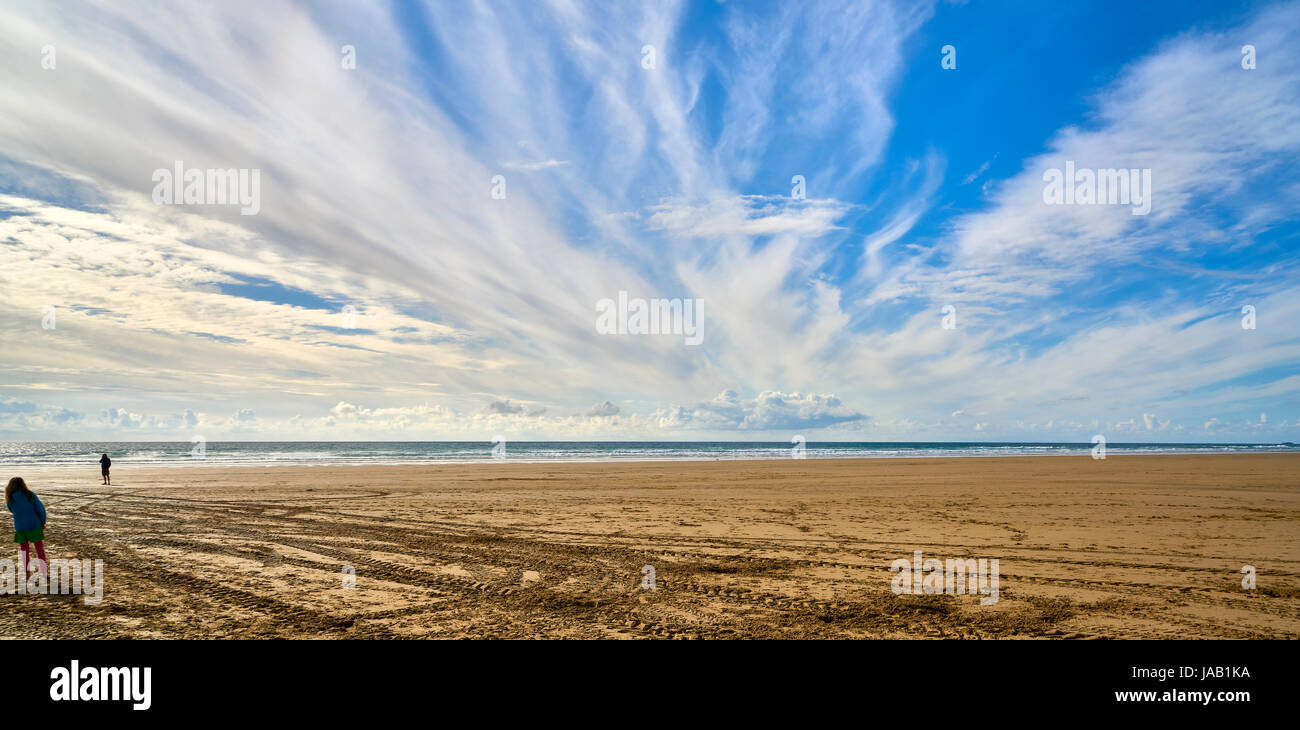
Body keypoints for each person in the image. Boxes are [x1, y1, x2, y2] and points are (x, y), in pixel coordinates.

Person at [5, 477, 47, 577]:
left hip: (20, 527)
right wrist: (42, 522)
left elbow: (12, 510)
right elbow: (40, 509)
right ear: (23, 484)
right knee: (39, 548)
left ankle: (26, 572)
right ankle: (43, 572)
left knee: (24, 550)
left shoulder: (10, 498)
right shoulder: (30, 495)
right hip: (34, 525)